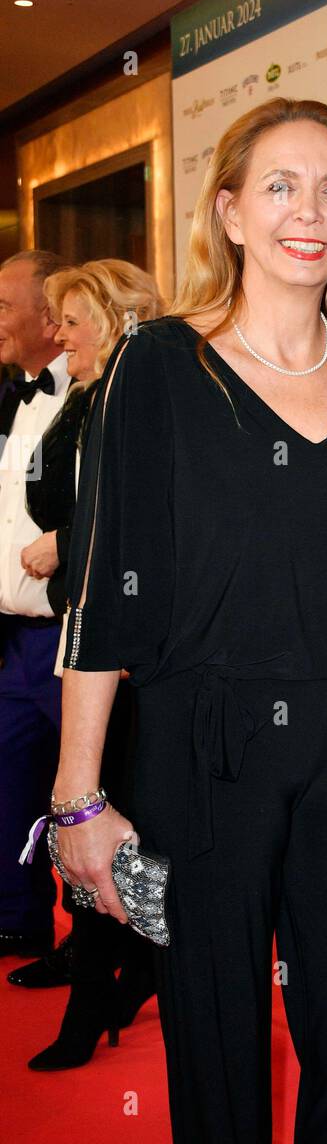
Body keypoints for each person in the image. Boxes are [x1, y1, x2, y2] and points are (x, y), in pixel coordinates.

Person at [52, 98, 327, 1144]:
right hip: (197, 748)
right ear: (228, 210)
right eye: (280, 185)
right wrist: (78, 795)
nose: (308, 212)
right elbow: (104, 587)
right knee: (213, 1058)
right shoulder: (158, 368)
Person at [11, 261, 162, 1070]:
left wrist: (68, 544)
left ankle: (106, 985)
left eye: (72, 318)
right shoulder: (89, 397)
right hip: (87, 635)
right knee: (98, 818)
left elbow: (137, 516)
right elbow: (56, 495)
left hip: (128, 651)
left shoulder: (140, 396)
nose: (57, 333)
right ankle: (124, 970)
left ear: (114, 316)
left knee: (116, 821)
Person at [0, 251, 73, 960]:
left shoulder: (95, 397)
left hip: (73, 635)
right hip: (11, 640)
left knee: (86, 794)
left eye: (2, 305)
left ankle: (100, 950)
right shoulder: (6, 396)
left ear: (48, 317)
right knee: (8, 783)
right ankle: (17, 917)